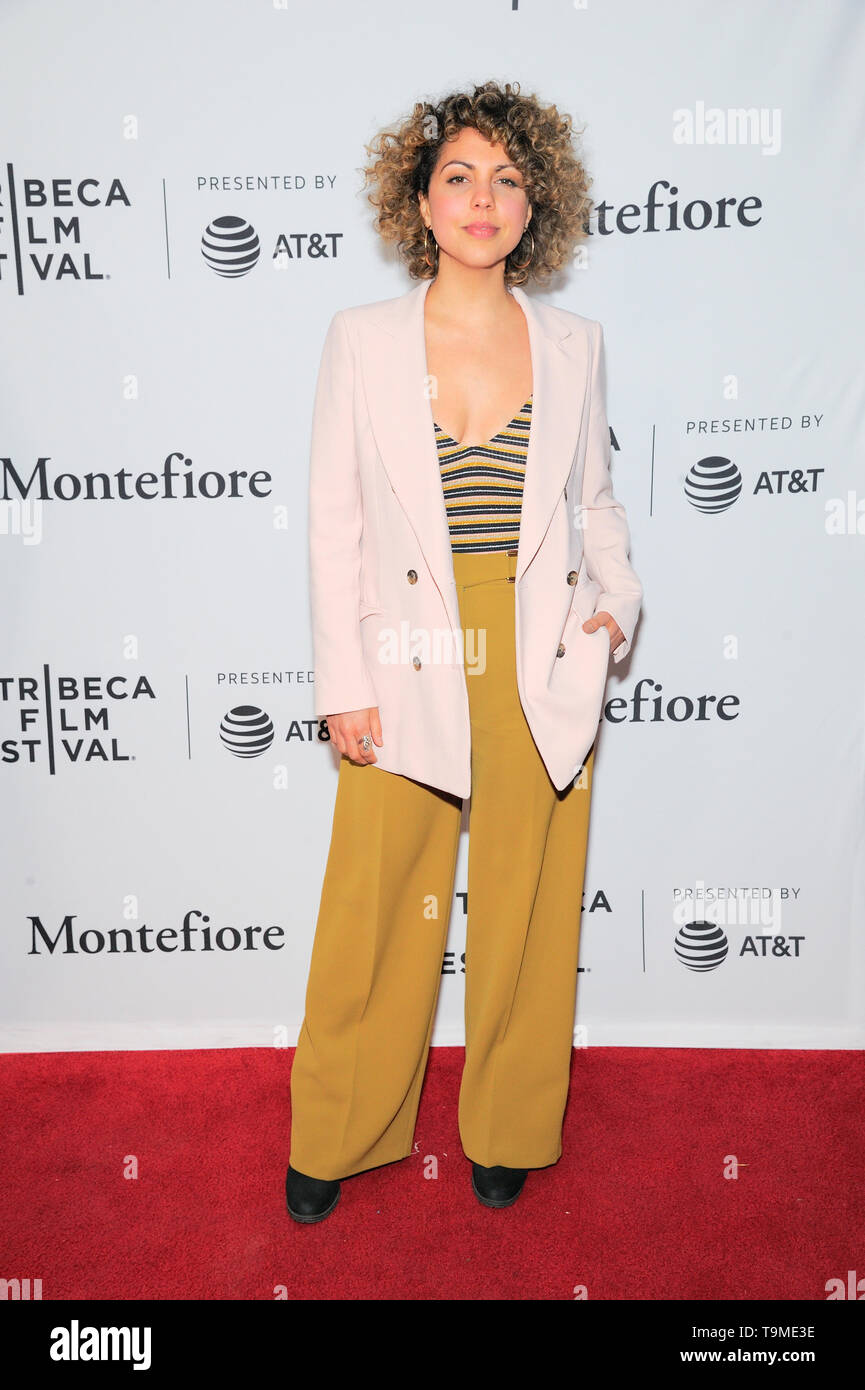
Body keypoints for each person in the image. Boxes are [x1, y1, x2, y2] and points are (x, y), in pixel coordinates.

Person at [286, 79, 643, 1223]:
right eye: (459, 176)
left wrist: (612, 609)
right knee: (376, 905)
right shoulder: (362, 339)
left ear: (533, 202)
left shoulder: (576, 343)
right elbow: (333, 519)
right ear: (421, 200)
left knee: (529, 906)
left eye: (506, 178)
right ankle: (337, 1131)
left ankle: (508, 1123)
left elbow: (596, 507)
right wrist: (343, 679)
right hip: (407, 646)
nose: (482, 198)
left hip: (539, 650)